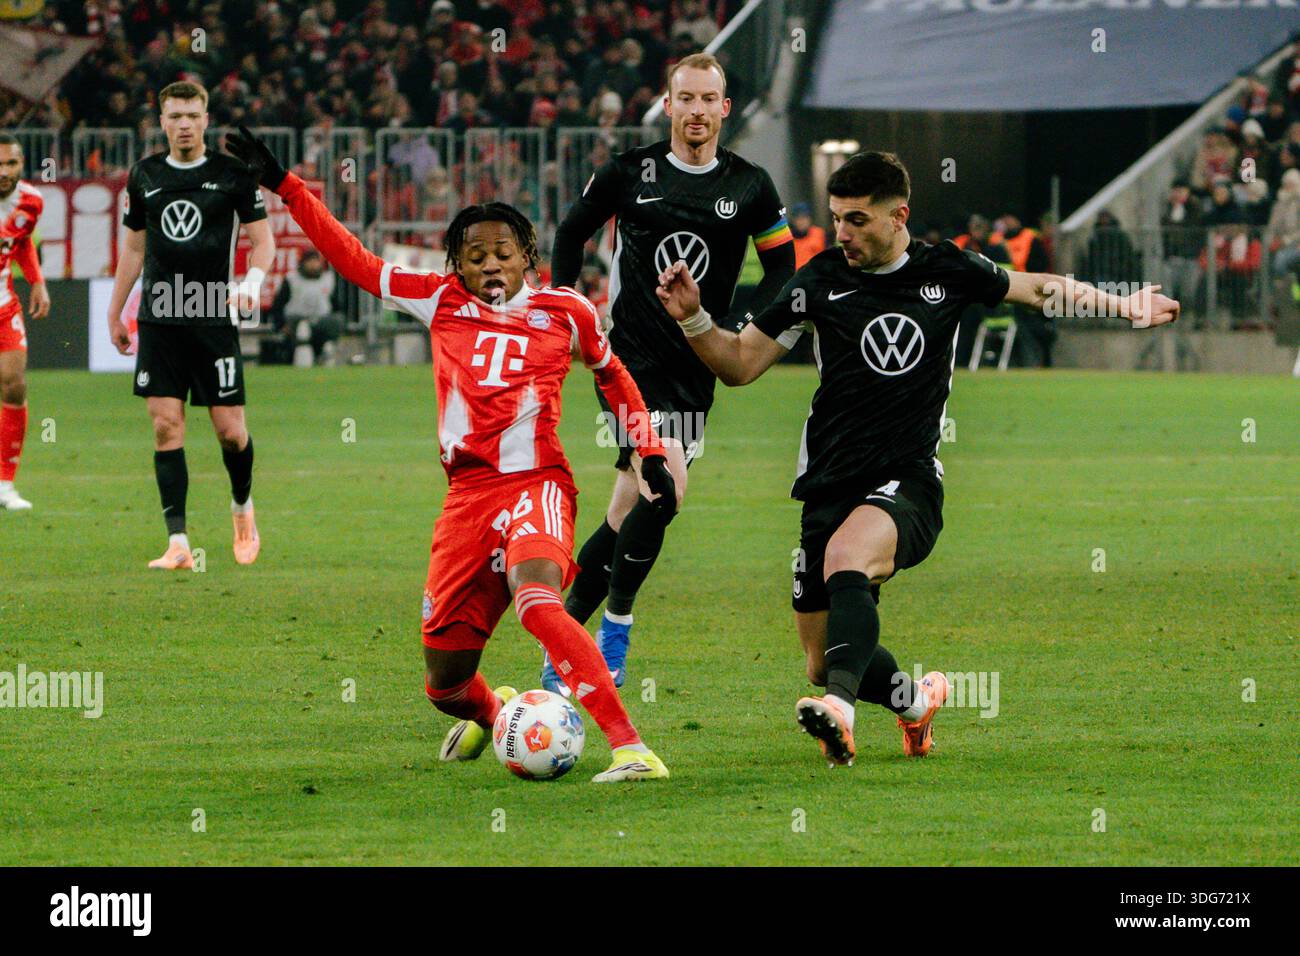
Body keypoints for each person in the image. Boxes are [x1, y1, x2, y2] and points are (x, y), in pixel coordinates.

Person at [653, 151, 1178, 765]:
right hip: (827, 482)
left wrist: (1124, 306)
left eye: (857, 220)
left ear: (899, 215)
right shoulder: (818, 280)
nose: (842, 233)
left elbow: (1038, 288)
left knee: (848, 563)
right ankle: (913, 701)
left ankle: (842, 718)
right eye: (837, 219)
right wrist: (694, 319)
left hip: (909, 482)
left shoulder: (946, 269)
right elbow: (740, 363)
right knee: (823, 661)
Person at [226, 126, 675, 783]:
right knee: (445, 684)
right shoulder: (439, 301)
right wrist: (288, 187)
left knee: (538, 600)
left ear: (528, 256)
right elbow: (351, 258)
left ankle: (631, 748)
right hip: (467, 500)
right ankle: (500, 720)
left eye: (503, 252)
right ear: (456, 267)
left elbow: (613, 375)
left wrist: (649, 448)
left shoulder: (566, 311)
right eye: (474, 256)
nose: (490, 265)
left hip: (536, 483)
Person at [546, 52, 795, 694]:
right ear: (668, 103)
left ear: (724, 108)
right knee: (667, 486)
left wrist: (738, 331)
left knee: (629, 507)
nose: (697, 112)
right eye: (685, 99)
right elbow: (570, 235)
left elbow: (784, 272)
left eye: (709, 99)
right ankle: (616, 634)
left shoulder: (751, 187)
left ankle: (558, 645)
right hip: (627, 361)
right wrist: (569, 314)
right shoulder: (629, 173)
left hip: (696, 366)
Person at [107, 81, 276, 569]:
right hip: (159, 316)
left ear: (206, 119)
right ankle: (178, 542)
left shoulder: (234, 174)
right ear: (161, 122)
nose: (183, 124)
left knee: (229, 432)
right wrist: (115, 311)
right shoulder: (144, 176)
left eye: (192, 115)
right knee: (165, 425)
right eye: (174, 116)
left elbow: (263, 243)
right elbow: (134, 250)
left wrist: (251, 280)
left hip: (211, 316)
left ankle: (242, 505)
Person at [0, 133, 51, 512]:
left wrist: (37, 282)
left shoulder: (31, 201)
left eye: (11, 164)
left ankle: (4, 484)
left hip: (4, 306)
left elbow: (21, 243)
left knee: (14, 386)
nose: (4, 172)